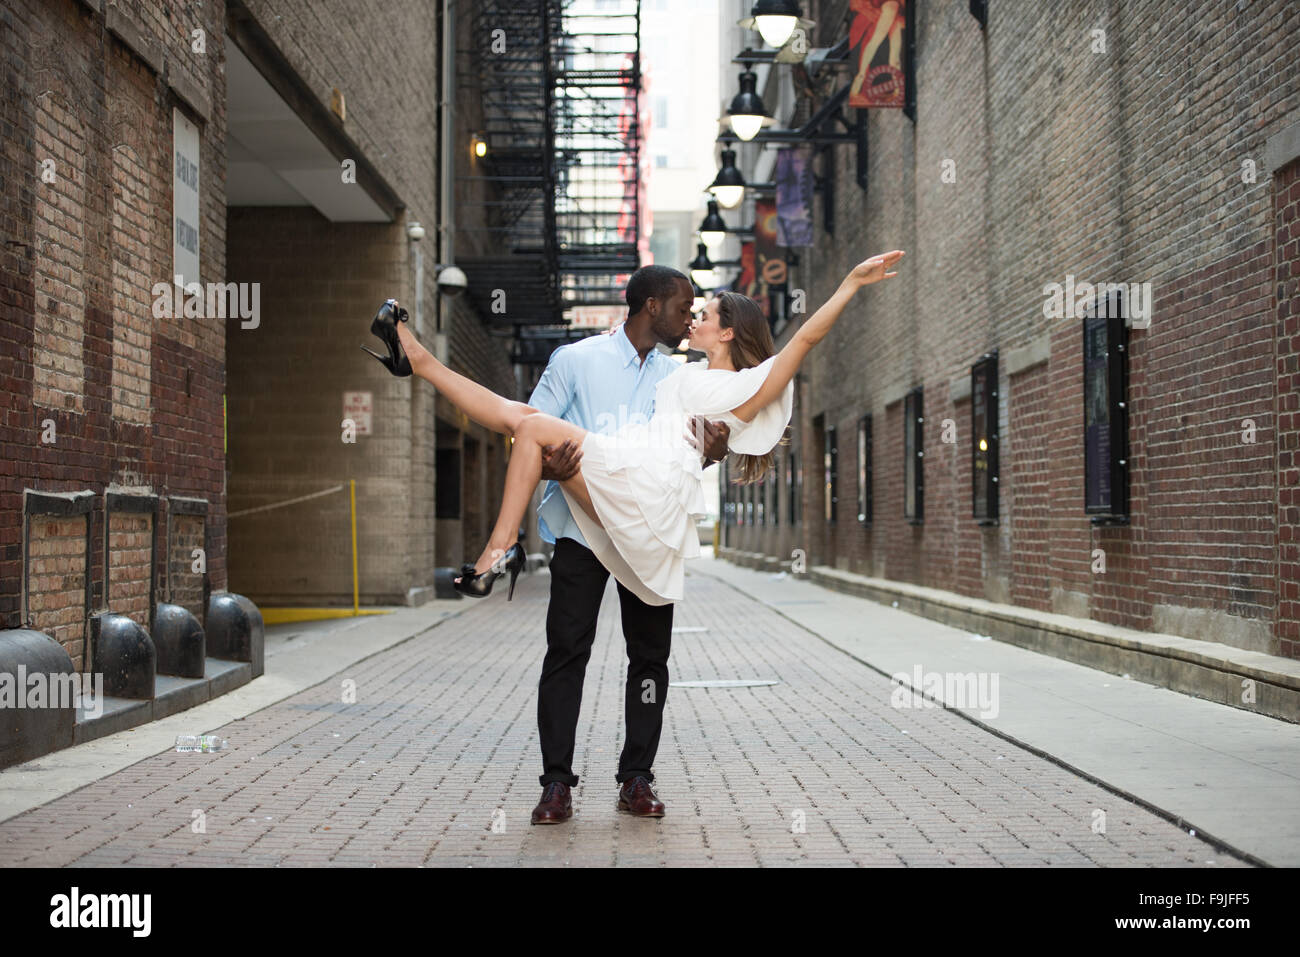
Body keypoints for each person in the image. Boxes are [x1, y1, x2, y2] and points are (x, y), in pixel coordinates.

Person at [362, 250, 904, 819]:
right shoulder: (581, 360)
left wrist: (847, 284)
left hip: (645, 498)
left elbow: (784, 361)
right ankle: (556, 782)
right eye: (684, 306)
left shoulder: (690, 374)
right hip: (589, 513)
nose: (690, 315)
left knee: (650, 658)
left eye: (702, 311)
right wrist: (560, 470)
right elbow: (536, 442)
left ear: (723, 331)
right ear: (653, 305)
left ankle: (636, 777)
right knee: (564, 641)